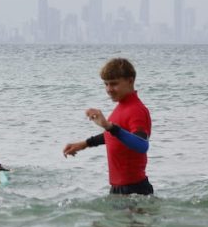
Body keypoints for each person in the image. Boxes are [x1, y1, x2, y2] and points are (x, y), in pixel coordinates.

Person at [61, 57, 153, 196]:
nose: (109, 89)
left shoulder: (136, 110)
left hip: (135, 190)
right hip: (119, 188)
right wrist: (84, 144)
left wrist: (109, 126)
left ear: (130, 81)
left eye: (114, 84)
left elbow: (142, 145)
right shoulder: (121, 107)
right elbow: (114, 136)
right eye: (106, 84)